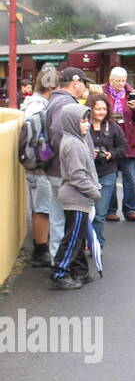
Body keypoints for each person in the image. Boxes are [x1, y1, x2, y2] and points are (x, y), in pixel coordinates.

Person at [50, 102, 100, 290]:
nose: (87, 124)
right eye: (83, 121)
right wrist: (94, 192)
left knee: (77, 237)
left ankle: (80, 271)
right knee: (72, 238)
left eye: (87, 120)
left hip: (78, 198)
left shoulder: (77, 140)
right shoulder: (73, 144)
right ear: (72, 122)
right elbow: (77, 175)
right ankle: (59, 273)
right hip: (76, 198)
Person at [41, 67, 90, 257]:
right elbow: (61, 135)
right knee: (73, 218)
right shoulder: (65, 103)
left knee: (58, 218)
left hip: (55, 168)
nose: (84, 87)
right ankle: (64, 263)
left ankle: (58, 259)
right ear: (76, 82)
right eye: (83, 83)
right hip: (65, 170)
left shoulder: (54, 99)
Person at [22, 66, 59, 267]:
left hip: (32, 164)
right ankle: (41, 249)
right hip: (40, 165)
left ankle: (40, 247)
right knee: (43, 208)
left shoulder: (28, 104)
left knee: (38, 206)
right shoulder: (40, 107)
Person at [86, 92, 127, 248]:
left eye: (104, 109)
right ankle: (84, 241)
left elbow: (123, 147)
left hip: (107, 173)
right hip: (87, 174)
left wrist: (111, 154)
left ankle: (97, 244)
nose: (101, 112)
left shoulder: (113, 127)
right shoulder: (84, 125)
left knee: (100, 213)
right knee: (85, 213)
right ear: (91, 109)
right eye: (98, 109)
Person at [103, 67, 135, 221]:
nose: (121, 84)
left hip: (129, 140)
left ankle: (130, 209)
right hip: (109, 140)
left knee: (130, 178)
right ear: (110, 80)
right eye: (117, 81)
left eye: (123, 81)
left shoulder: (131, 94)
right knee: (110, 177)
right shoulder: (102, 93)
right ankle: (111, 210)